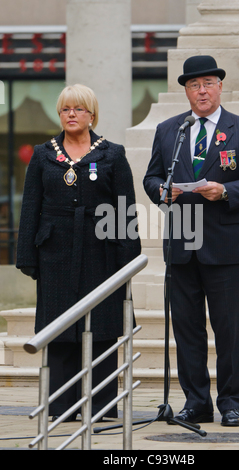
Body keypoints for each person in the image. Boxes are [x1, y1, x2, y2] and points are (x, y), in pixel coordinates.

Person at [143, 56, 239, 427]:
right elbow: (152, 177)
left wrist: (226, 190)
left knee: (228, 328)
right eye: (193, 85)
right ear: (185, 91)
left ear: (220, 86)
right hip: (181, 244)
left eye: (208, 83)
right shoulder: (171, 130)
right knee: (187, 329)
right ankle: (196, 402)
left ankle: (231, 402)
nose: (202, 91)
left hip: (225, 246)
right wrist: (161, 192)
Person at [17, 84, 141, 421]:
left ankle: (101, 408)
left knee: (101, 328)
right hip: (54, 252)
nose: (71, 115)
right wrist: (26, 255)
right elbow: (31, 206)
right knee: (59, 330)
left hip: (102, 252)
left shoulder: (112, 153)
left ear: (92, 115)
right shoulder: (44, 154)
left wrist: (128, 259)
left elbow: (124, 208)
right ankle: (60, 408)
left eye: (78, 109)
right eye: (65, 109)